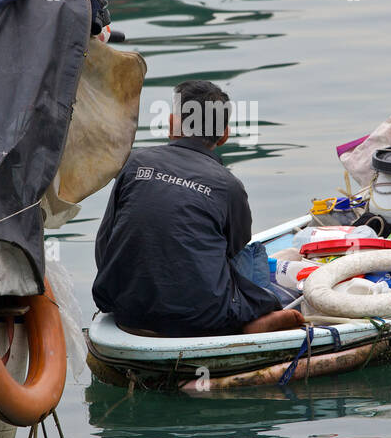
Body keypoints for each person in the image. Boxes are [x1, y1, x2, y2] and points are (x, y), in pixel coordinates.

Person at [93, 80, 305, 336]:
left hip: (124, 308)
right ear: (224, 135)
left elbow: (105, 243)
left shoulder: (135, 162)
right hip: (202, 318)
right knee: (251, 254)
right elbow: (235, 251)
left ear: (172, 125)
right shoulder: (229, 186)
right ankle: (248, 323)